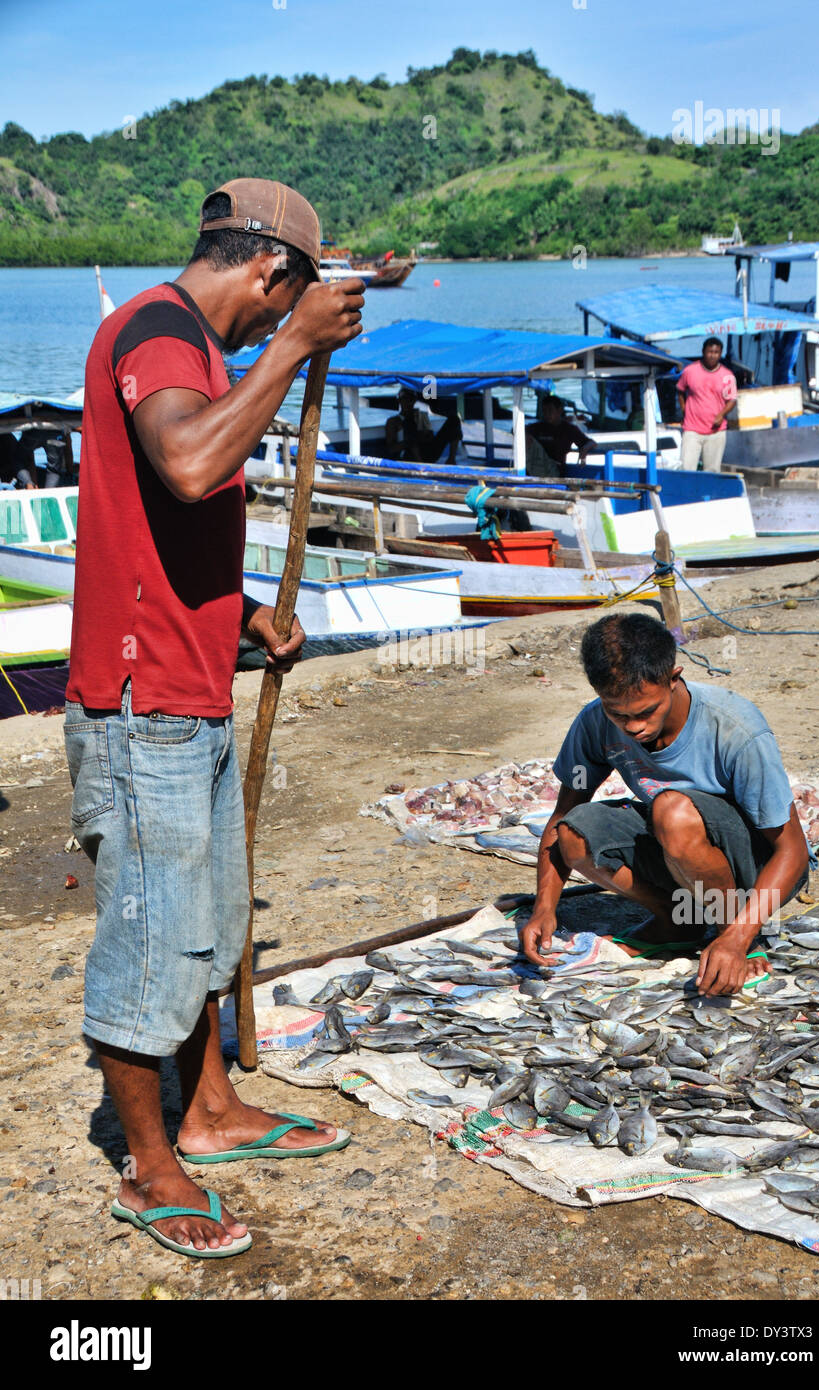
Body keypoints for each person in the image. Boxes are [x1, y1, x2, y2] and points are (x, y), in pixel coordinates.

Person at [64, 178, 365, 1259]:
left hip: (192, 686)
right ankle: (150, 1166)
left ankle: (210, 1105)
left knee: (208, 921)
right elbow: (190, 464)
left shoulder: (193, 342)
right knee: (151, 937)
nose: (270, 317)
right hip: (140, 706)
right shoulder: (153, 330)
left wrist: (237, 613)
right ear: (269, 273)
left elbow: (156, 523)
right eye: (280, 299)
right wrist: (291, 347)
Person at [519, 613, 810, 996]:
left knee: (672, 812)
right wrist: (545, 908)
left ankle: (731, 934)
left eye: (646, 712)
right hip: (679, 848)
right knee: (572, 834)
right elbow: (560, 817)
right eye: (618, 714)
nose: (633, 727)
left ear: (674, 679)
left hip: (756, 869)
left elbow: (793, 852)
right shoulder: (593, 723)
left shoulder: (736, 728)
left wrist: (738, 937)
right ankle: (677, 921)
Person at [675, 337, 737, 472]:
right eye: (710, 352)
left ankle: (709, 494)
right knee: (686, 468)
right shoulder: (690, 371)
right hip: (692, 429)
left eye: (716, 352)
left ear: (720, 354)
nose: (712, 355)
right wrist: (684, 410)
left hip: (716, 431)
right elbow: (680, 390)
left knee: (712, 471)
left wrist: (721, 415)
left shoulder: (728, 375)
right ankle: (687, 493)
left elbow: (732, 400)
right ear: (703, 352)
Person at [384, 387, 463, 463]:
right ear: (399, 401)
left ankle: (451, 459)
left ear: (414, 401)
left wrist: (420, 434)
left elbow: (430, 437)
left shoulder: (421, 416)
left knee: (454, 419)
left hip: (427, 452)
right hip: (408, 456)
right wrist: (409, 441)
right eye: (405, 399)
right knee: (409, 423)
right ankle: (420, 463)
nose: (408, 402)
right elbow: (391, 449)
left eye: (410, 399)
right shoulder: (393, 421)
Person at [525, 394, 596, 477]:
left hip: (554, 470)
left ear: (559, 410)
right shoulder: (537, 427)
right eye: (544, 411)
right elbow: (516, 430)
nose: (547, 414)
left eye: (550, 410)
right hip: (535, 467)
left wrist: (584, 450)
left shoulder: (569, 429)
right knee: (524, 435)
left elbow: (590, 442)